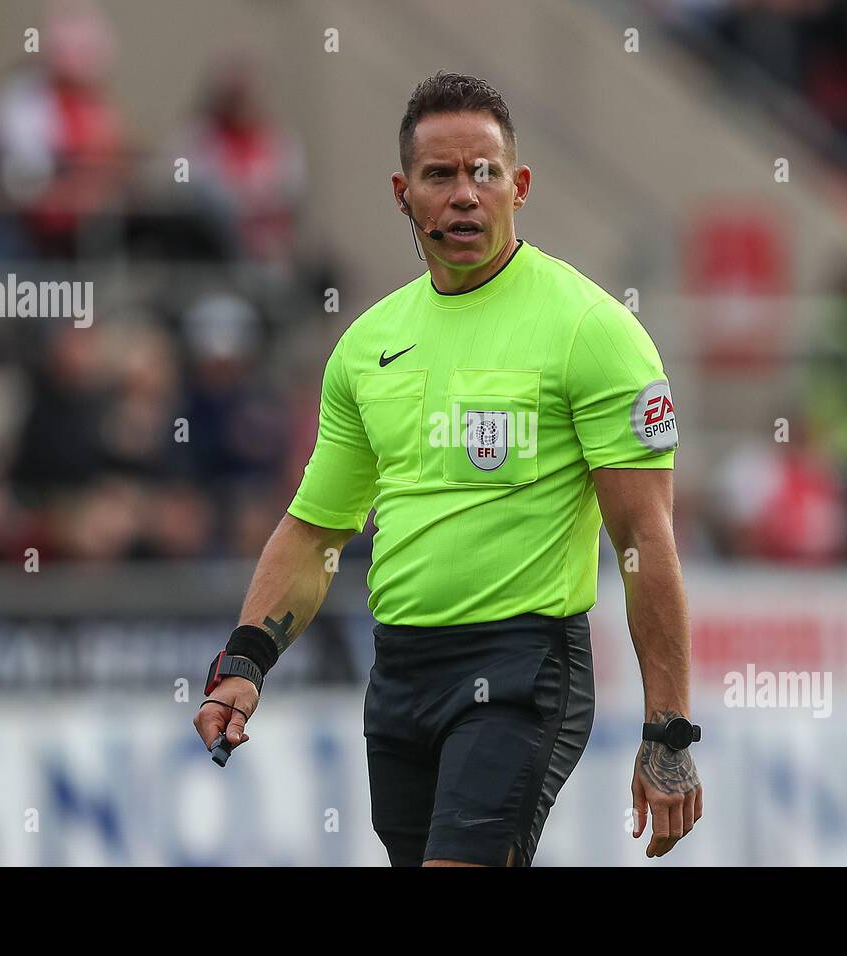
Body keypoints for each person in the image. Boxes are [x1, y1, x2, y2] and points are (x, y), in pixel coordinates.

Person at [194, 71, 701, 867]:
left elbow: (646, 540)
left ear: (518, 186)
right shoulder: (367, 346)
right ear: (404, 193)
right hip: (398, 674)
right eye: (440, 175)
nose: (464, 194)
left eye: (484, 172)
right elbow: (316, 531)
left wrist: (667, 732)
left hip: (524, 669)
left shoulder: (592, 331)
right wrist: (245, 661)